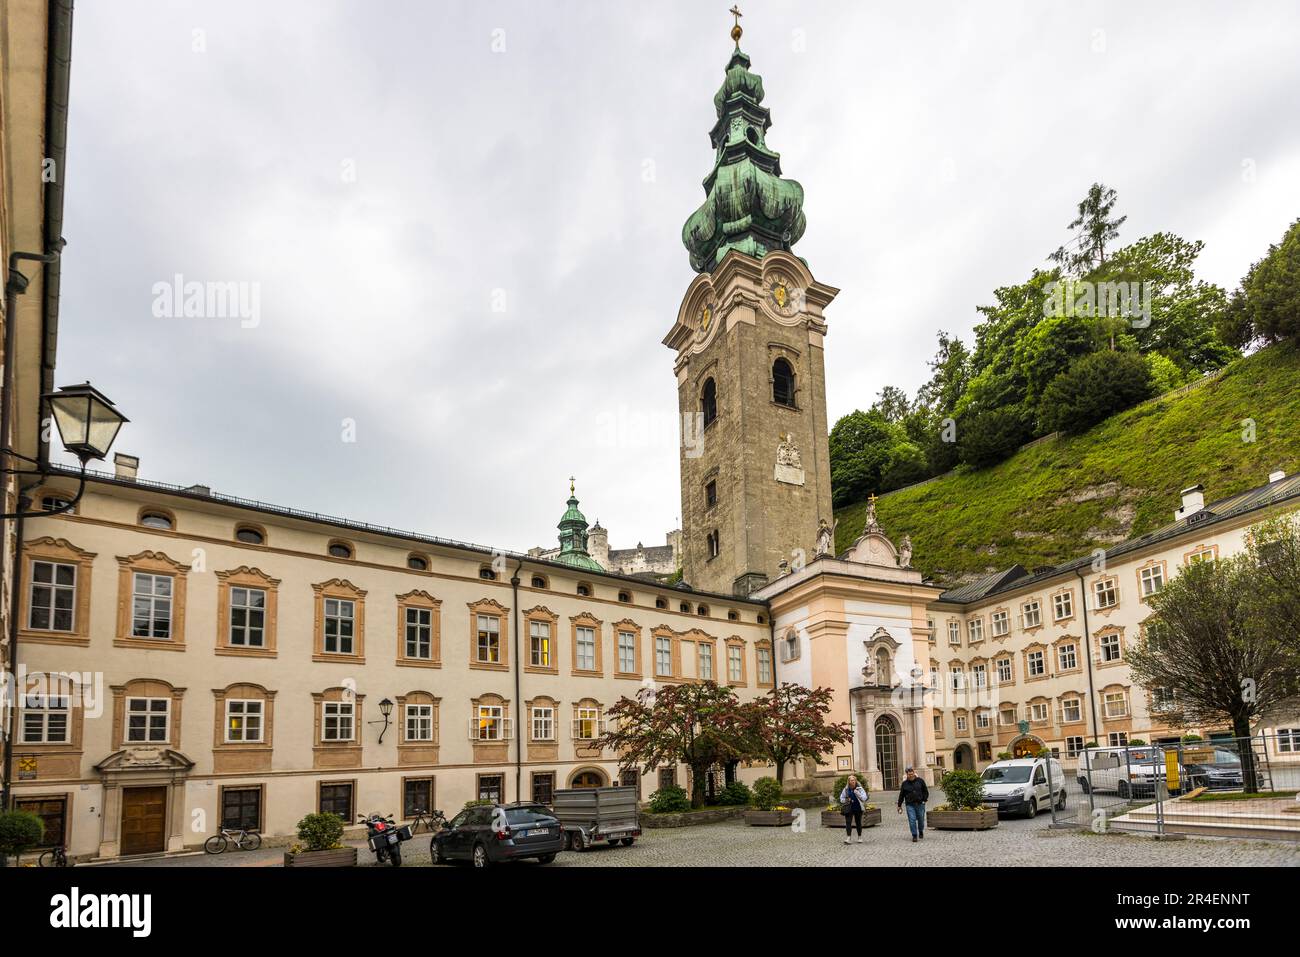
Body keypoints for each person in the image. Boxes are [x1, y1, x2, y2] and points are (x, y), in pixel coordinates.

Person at [896, 765, 929, 842]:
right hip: (910, 805)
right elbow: (901, 795)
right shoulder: (904, 784)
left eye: (912, 774)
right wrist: (899, 805)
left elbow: (925, 791)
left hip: (920, 804)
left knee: (921, 819)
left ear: (914, 773)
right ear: (907, 774)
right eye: (909, 774)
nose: (910, 776)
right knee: (912, 820)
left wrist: (924, 800)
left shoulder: (920, 781)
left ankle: (920, 830)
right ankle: (914, 835)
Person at [839, 774, 869, 844]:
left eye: (854, 780)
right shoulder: (846, 789)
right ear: (848, 781)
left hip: (858, 807)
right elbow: (841, 798)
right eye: (851, 780)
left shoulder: (860, 789)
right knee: (848, 823)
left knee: (858, 822)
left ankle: (859, 837)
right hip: (849, 808)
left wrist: (858, 793)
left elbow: (864, 798)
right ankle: (848, 838)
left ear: (856, 781)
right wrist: (846, 800)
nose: (853, 781)